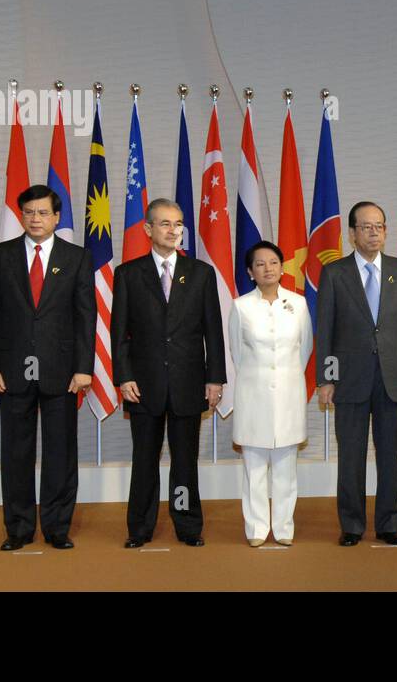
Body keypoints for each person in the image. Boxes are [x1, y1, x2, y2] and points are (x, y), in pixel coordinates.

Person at [0, 184, 94, 551]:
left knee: (61, 452)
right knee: (16, 452)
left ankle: (57, 527)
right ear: (21, 215)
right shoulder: (0, 256)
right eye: (29, 212)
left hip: (62, 372)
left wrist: (83, 367)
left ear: (56, 217)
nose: (36, 219)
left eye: (43, 212)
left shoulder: (76, 257)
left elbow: (84, 317)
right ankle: (18, 528)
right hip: (11, 370)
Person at [112, 198, 226, 548]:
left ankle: (187, 525)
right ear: (148, 229)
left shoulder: (201, 273)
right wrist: (124, 376)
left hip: (188, 382)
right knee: (144, 460)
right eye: (165, 224)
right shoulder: (128, 274)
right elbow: (119, 333)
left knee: (184, 462)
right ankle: (140, 529)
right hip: (143, 384)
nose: (173, 230)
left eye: (178, 224)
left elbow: (213, 330)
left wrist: (215, 377)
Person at [315, 201, 397, 546]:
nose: (374, 232)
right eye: (366, 227)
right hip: (349, 378)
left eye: (380, 226)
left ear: (386, 231)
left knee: (390, 454)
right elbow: (325, 329)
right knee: (351, 455)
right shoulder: (334, 273)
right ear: (352, 233)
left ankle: (389, 523)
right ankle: (352, 525)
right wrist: (326, 378)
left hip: (392, 377)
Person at [229, 241, 311, 546]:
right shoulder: (241, 306)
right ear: (250, 272)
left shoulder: (299, 304)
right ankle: (257, 529)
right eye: (260, 264)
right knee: (254, 468)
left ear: (282, 266)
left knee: (286, 468)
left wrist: (285, 377)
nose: (268, 269)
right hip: (253, 395)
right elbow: (238, 353)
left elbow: (304, 350)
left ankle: (284, 527)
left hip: (288, 396)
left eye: (274, 262)